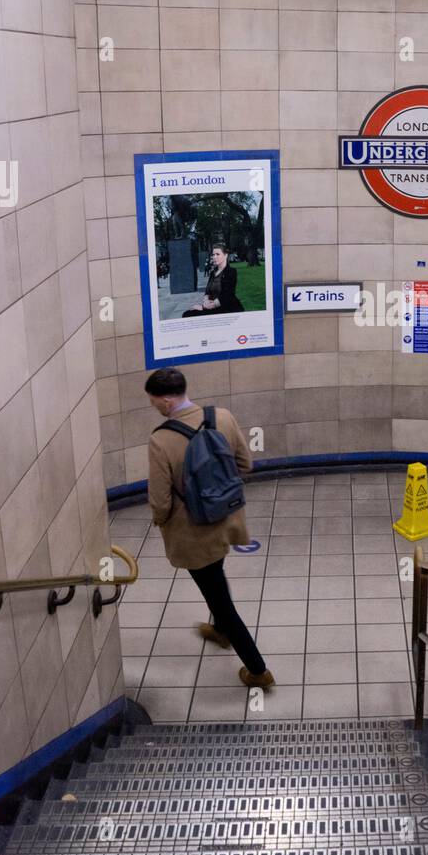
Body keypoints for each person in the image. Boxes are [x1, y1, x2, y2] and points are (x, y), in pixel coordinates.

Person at [144, 367, 274, 690]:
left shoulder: (160, 441)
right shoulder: (223, 417)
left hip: (193, 534)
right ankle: (219, 630)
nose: (153, 407)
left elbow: (160, 502)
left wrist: (162, 520)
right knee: (216, 577)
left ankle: (258, 670)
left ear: (165, 401)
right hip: (227, 521)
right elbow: (245, 465)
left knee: (220, 599)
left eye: (153, 402)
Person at [182, 243, 245, 318]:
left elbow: (227, 295)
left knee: (189, 315)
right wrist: (205, 301)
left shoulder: (231, 272)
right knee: (187, 313)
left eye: (217, 254)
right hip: (212, 306)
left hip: (226, 307)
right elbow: (207, 290)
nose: (214, 257)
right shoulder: (213, 273)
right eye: (213, 254)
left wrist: (204, 307)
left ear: (225, 255)